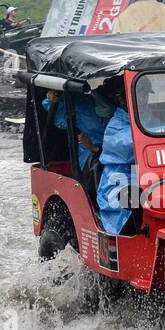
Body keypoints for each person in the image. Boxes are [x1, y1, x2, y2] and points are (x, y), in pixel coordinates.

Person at [95, 81, 136, 235]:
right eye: (138, 97)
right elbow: (131, 146)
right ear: (122, 100)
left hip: (148, 176)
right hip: (119, 182)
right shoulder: (115, 125)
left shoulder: (146, 118)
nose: (144, 101)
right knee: (137, 213)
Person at [43, 88, 111, 170]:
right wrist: (52, 100)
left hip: (107, 151)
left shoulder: (118, 116)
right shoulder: (78, 106)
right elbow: (61, 121)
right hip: (92, 154)